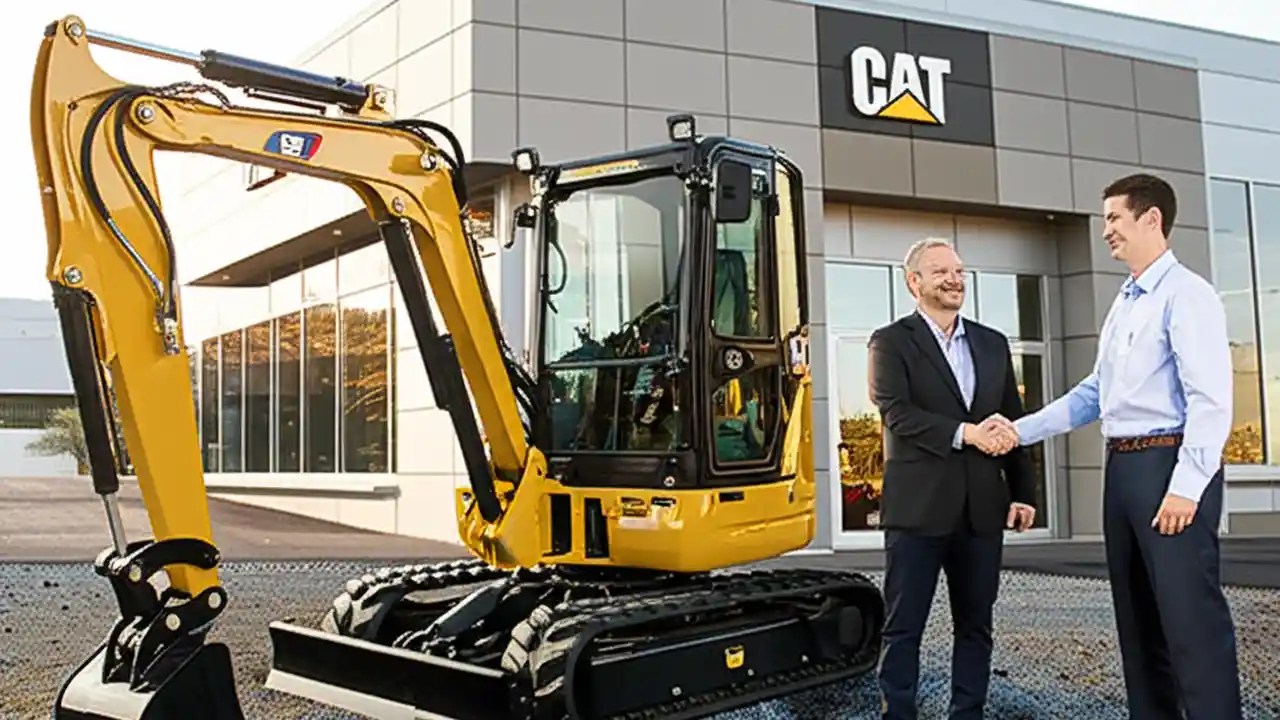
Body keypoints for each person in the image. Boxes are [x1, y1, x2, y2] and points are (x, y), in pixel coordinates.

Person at [983, 173, 1243, 720]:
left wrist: (1187, 487)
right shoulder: (1125, 302)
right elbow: (1094, 394)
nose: (1106, 232)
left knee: (1190, 623)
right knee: (1138, 624)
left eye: (1114, 219)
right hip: (1122, 470)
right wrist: (1019, 431)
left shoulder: (1186, 294)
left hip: (1167, 467)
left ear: (1152, 219)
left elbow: (1211, 399)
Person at [867, 237, 1037, 720]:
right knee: (904, 628)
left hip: (982, 511)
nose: (954, 279)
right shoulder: (890, 341)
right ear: (914, 282)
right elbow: (896, 413)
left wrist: (1024, 493)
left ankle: (968, 713)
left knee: (976, 627)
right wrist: (966, 434)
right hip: (917, 512)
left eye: (959, 270)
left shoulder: (992, 343)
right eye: (941, 271)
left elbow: (1011, 422)